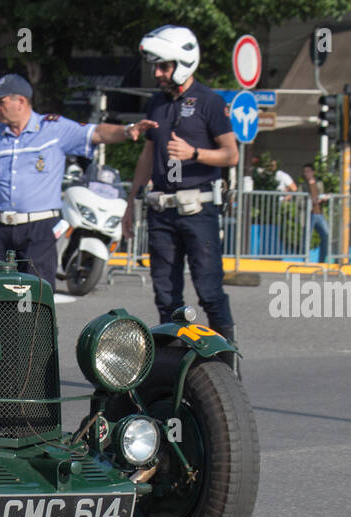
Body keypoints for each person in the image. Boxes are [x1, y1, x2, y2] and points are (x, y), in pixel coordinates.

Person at [0, 73, 153, 287]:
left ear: (20, 101)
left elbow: (96, 133)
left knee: (36, 297)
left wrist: (127, 130)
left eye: (1, 101)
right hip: (0, 230)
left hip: (38, 229)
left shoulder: (54, 129)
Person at [127, 25, 239, 342]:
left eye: (164, 66)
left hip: (198, 209)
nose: (158, 73)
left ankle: (226, 364)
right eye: (155, 66)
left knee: (209, 291)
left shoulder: (210, 102)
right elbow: (148, 154)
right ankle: (173, 365)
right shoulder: (156, 104)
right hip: (161, 210)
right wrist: (131, 202)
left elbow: (231, 155)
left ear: (183, 63)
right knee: (166, 297)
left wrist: (195, 153)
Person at [302, 163, 330, 263]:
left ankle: (321, 260)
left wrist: (324, 198)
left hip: (319, 213)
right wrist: (310, 201)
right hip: (310, 213)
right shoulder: (303, 185)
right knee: (307, 236)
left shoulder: (319, 183)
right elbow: (300, 200)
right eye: (305, 172)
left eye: (308, 171)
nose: (306, 174)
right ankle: (306, 259)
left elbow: (322, 194)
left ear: (313, 172)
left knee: (326, 235)